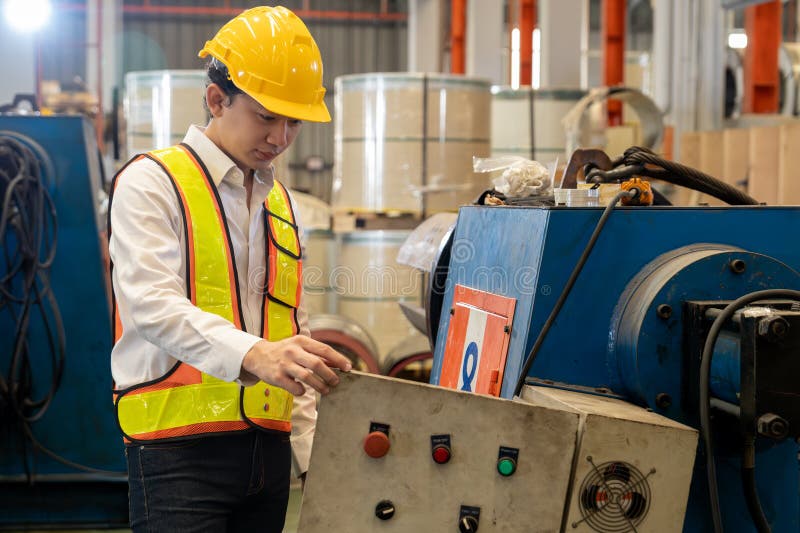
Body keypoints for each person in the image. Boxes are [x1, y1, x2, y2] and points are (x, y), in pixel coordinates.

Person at [107, 6, 351, 532]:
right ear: (217, 99)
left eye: (294, 122)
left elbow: (290, 330)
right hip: (177, 459)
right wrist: (256, 354)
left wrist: (315, 457)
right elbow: (151, 305)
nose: (281, 137)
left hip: (269, 454)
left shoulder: (282, 203)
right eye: (266, 116)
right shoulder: (152, 183)